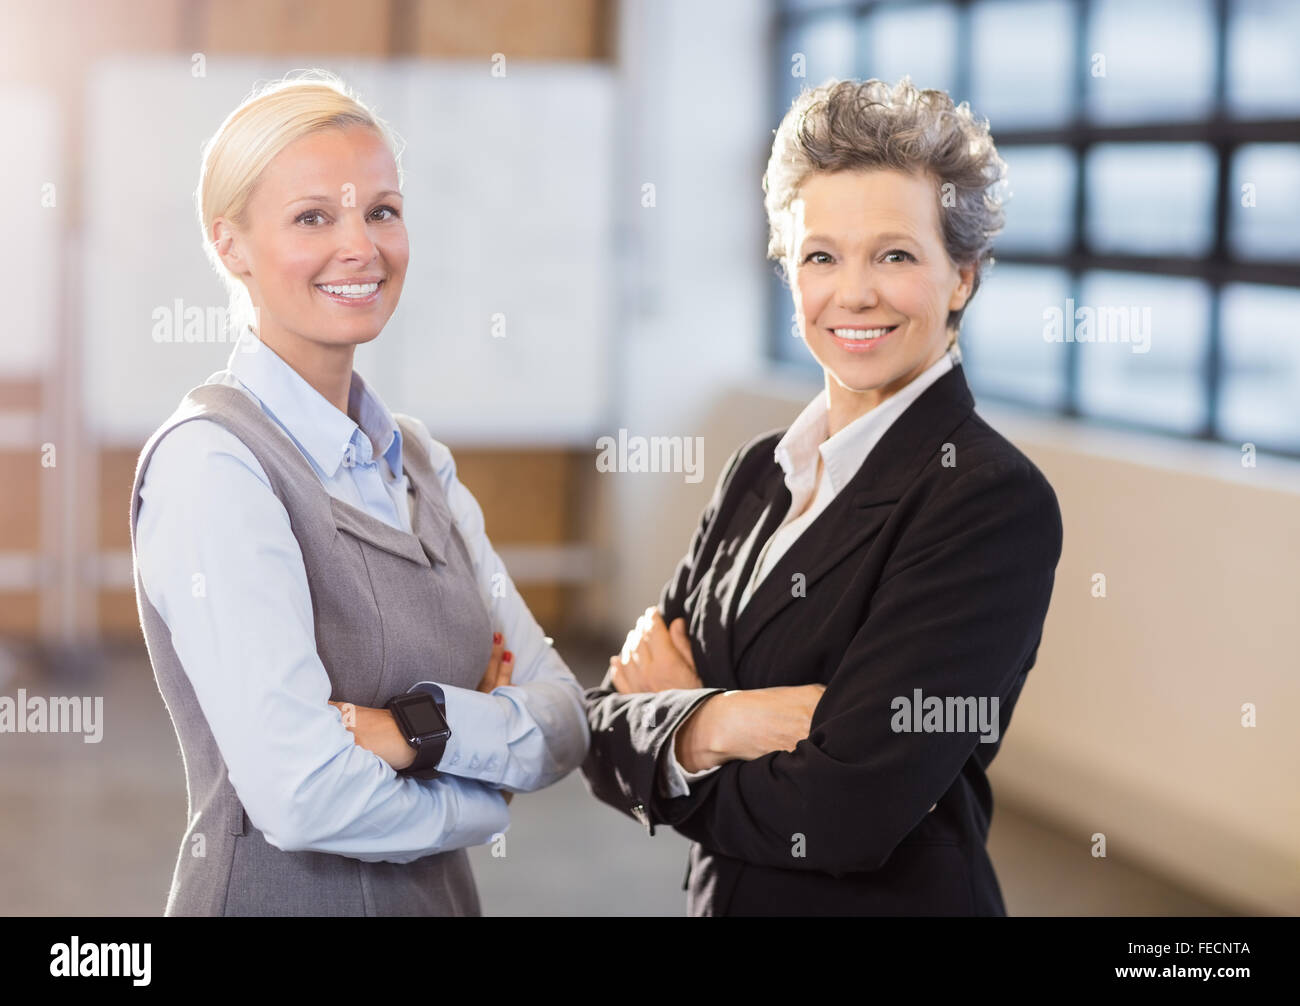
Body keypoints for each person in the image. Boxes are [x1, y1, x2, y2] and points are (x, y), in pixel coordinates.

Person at [581, 76, 1063, 915]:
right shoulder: (757, 474)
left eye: (896, 255)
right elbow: (597, 737)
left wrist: (671, 721)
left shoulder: (990, 502)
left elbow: (846, 812)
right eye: (821, 256)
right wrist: (726, 722)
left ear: (963, 278)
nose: (854, 293)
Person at [129, 71, 588, 916]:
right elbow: (305, 798)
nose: (362, 247)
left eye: (382, 210)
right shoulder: (215, 468)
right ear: (230, 245)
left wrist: (414, 731)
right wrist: (482, 796)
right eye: (314, 217)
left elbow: (564, 715)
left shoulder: (419, 463)